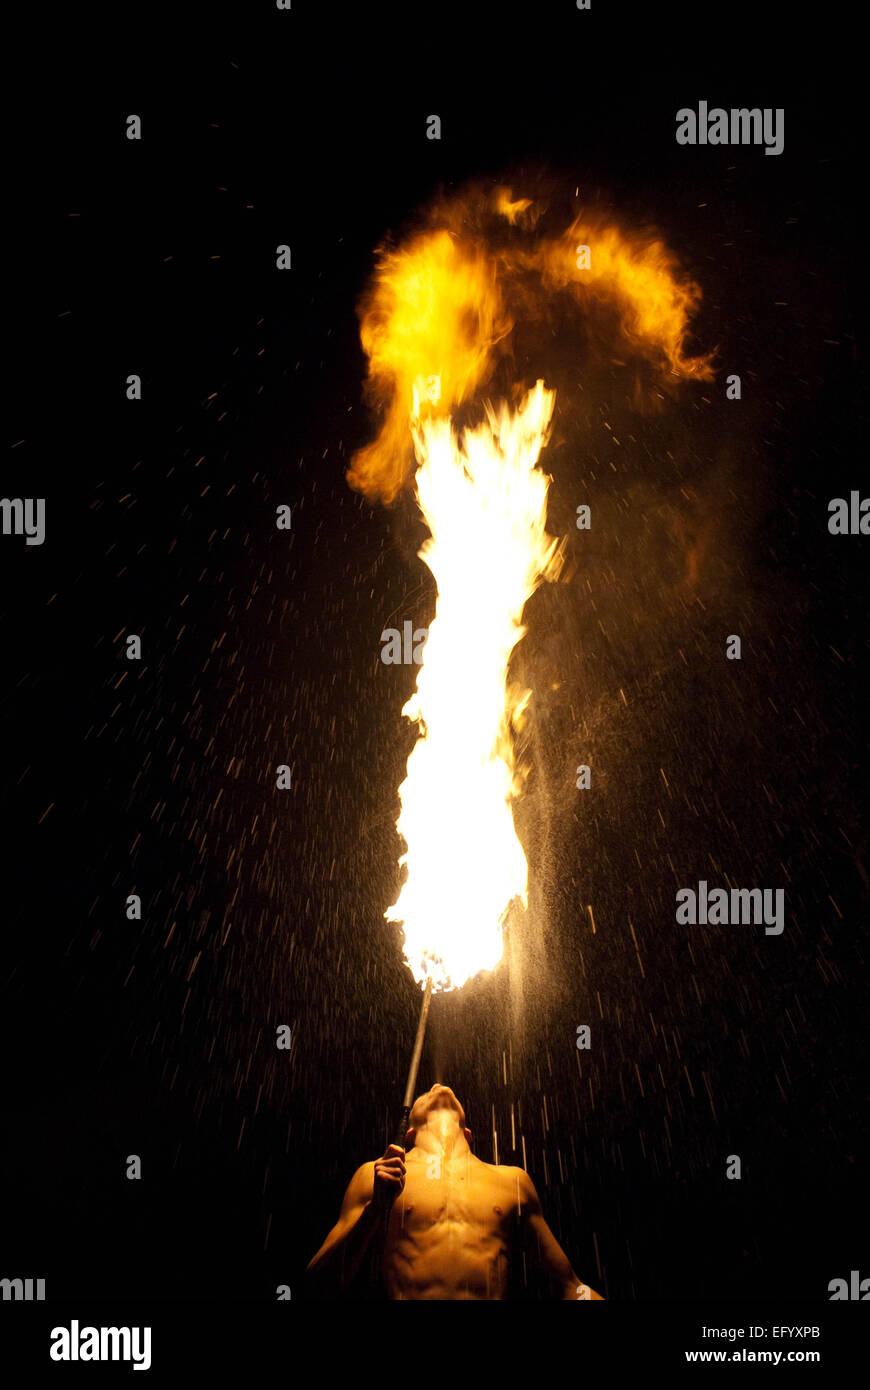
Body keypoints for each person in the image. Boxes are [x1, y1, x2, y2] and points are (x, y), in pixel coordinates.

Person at [306, 1082, 603, 1300]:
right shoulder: (377, 1175)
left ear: (469, 1134)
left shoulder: (512, 1180)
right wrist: (375, 1210)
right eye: (427, 1092)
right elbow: (319, 1286)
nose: (438, 1085)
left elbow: (569, 1286)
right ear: (409, 1133)